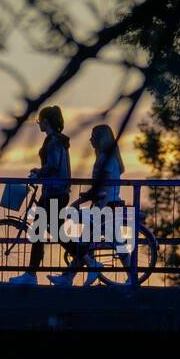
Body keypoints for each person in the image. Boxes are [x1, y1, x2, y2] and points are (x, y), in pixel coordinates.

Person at [48, 123, 125, 287]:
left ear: (100, 139)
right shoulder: (109, 158)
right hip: (107, 205)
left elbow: (103, 186)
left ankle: (130, 275)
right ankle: (69, 276)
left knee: (113, 243)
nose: (90, 139)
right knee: (86, 243)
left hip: (105, 206)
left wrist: (81, 201)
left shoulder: (106, 158)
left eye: (93, 137)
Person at [10, 105, 72, 286]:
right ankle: (31, 273)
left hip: (54, 192)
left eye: (39, 121)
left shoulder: (53, 141)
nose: (39, 124)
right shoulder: (58, 141)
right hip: (57, 191)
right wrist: (40, 171)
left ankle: (86, 259)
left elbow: (53, 165)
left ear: (46, 121)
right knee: (46, 231)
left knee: (43, 231)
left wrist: (39, 173)